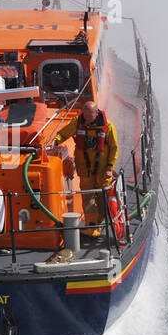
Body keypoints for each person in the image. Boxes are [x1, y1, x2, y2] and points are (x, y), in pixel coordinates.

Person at [49, 101, 119, 236]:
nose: (87, 117)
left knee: (103, 198)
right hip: (85, 170)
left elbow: (114, 149)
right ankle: (91, 226)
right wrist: (55, 141)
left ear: (97, 112)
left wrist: (110, 168)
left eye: (90, 115)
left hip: (103, 171)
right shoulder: (78, 122)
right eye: (85, 114)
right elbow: (64, 133)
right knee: (87, 198)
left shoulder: (108, 127)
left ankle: (100, 222)